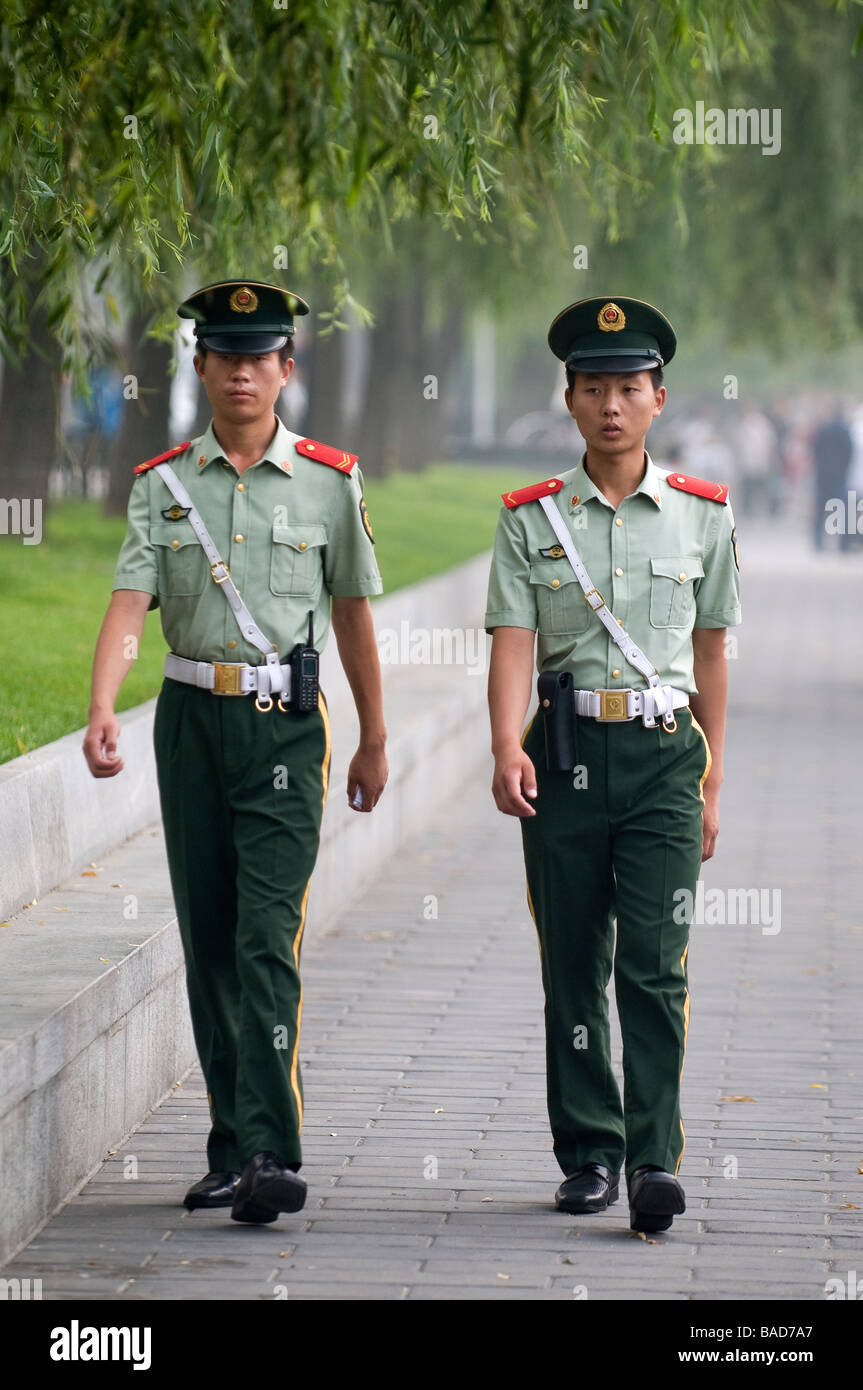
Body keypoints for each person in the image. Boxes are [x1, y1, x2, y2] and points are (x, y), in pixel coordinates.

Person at [83, 279, 388, 1224]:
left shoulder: (331, 482)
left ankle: (268, 1149)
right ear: (203, 368)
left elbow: (351, 615)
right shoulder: (162, 484)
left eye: (261, 357)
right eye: (225, 357)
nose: (243, 372)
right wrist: (102, 703)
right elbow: (131, 605)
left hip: (287, 729)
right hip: (188, 722)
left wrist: (376, 736)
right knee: (210, 937)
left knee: (266, 935)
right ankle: (230, 1144)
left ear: (286, 371)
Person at [485, 296, 741, 1234]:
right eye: (593, 387)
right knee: (572, 962)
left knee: (655, 964)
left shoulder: (702, 517)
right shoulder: (529, 520)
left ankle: (652, 1158)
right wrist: (504, 739)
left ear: (658, 399)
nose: (610, 405)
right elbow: (512, 638)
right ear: (569, 397)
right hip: (564, 754)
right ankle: (588, 1152)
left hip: (667, 759)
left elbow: (710, 653)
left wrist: (713, 782)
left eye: (628, 388)